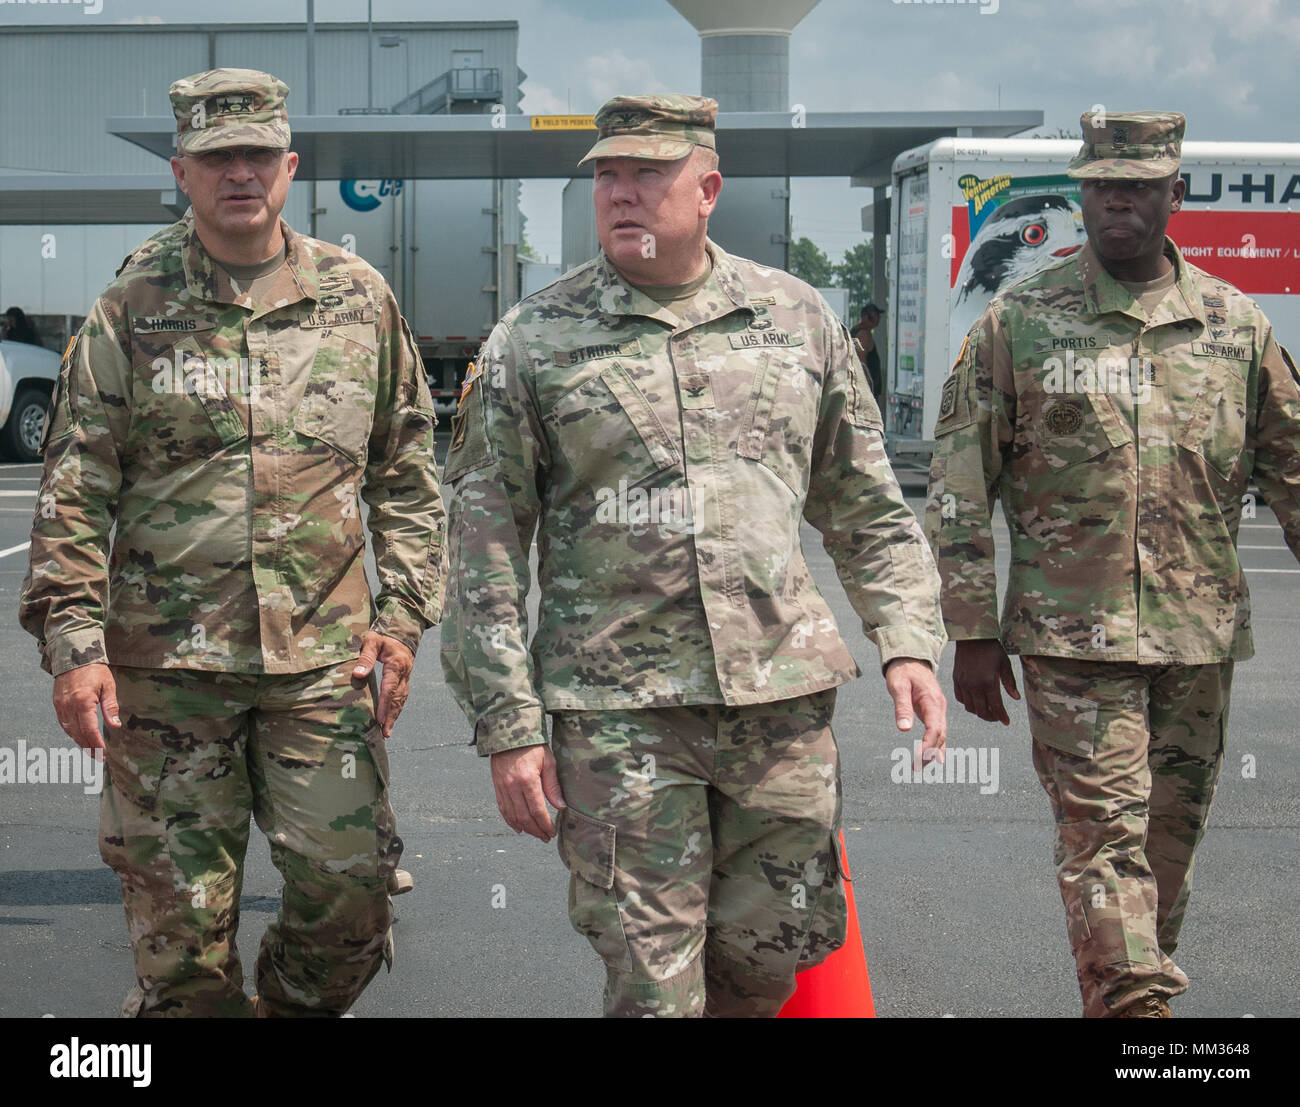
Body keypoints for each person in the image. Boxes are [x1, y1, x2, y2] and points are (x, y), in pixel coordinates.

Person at [441, 93, 947, 1018]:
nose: (620, 192)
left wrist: (907, 639)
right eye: (606, 175)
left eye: (646, 173)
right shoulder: (535, 340)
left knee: (770, 956)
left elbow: (868, 503)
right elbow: (483, 550)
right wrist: (509, 724)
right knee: (654, 984)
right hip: (621, 716)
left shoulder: (795, 320)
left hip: (778, 707)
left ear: (707, 187)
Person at [18, 68, 445, 1018]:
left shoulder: (357, 299)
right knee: (180, 937)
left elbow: (408, 473)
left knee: (351, 896)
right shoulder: (131, 308)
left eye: (257, 154)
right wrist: (74, 648)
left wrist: (405, 619)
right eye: (217, 158)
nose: (239, 173)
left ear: (290, 166)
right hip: (163, 676)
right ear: (183, 172)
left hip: (321, 668)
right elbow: (76, 489)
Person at [926, 110, 1300, 1018]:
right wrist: (970, 629)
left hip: (1198, 640)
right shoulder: (1019, 322)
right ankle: (1142, 1023)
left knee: (1164, 852)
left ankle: (1126, 995)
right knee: (1102, 841)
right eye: (1101, 185)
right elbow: (958, 480)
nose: (1118, 200)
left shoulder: (1233, 326)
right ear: (1081, 194)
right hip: (1071, 643)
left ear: (1176, 194)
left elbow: (1293, 466)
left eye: (1138, 185)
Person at [850, 303, 883, 401]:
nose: (879, 319)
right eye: (876, 316)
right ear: (868, 317)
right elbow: (862, 361)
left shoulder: (855, 331)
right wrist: (866, 387)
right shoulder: (864, 334)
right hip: (866, 389)